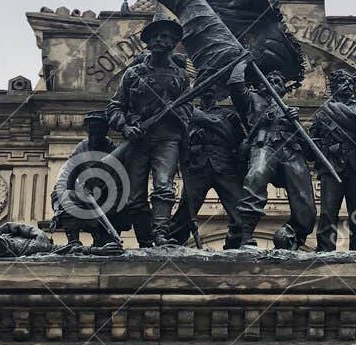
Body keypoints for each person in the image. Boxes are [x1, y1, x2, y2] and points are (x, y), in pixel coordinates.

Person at [109, 19, 191, 247]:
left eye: (165, 37)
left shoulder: (181, 76)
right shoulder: (133, 74)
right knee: (135, 195)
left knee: (164, 185)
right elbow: (115, 106)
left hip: (168, 138)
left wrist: (175, 113)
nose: (159, 40)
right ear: (147, 42)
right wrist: (125, 127)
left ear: (174, 43)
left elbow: (189, 109)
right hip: (138, 140)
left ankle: (161, 234)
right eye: (154, 37)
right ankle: (145, 241)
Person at [229, 60, 315, 249]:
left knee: (306, 204)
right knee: (255, 178)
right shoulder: (251, 99)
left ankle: (290, 238)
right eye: (271, 80)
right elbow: (235, 84)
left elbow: (308, 148)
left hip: (291, 152)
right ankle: (245, 236)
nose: (275, 83)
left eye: (279, 82)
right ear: (261, 84)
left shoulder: (288, 110)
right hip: (265, 146)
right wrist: (243, 61)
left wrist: (295, 121)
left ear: (284, 90)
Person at [311, 68, 356, 252]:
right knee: (327, 213)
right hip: (331, 167)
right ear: (334, 86)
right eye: (341, 82)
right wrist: (325, 149)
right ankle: (325, 250)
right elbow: (313, 144)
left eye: (349, 82)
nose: (346, 85)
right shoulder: (323, 112)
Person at [171, 97, 247, 248]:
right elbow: (176, 141)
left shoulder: (228, 114)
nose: (209, 94)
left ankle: (236, 243)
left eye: (212, 91)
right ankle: (173, 243)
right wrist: (192, 137)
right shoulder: (187, 115)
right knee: (185, 213)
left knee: (241, 214)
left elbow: (241, 141)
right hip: (197, 167)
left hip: (224, 167)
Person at [50, 110, 127, 251]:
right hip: (86, 203)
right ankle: (73, 242)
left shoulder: (113, 151)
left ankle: (104, 240)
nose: (94, 136)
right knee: (64, 196)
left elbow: (121, 186)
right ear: (87, 130)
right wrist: (59, 201)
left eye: (98, 131)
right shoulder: (81, 149)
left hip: (108, 207)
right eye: (91, 131)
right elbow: (66, 177)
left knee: (107, 246)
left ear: (105, 131)